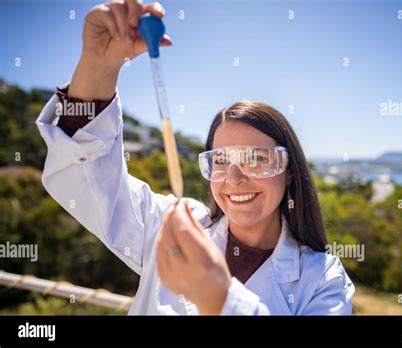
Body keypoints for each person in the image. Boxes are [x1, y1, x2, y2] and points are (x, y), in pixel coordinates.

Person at [36, 0, 355, 315]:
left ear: (288, 170)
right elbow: (87, 177)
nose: (234, 179)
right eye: (220, 161)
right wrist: (98, 64)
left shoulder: (323, 280)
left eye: (255, 159)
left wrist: (216, 295)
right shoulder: (171, 223)